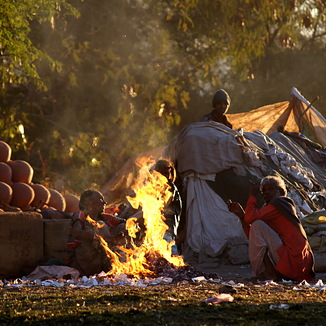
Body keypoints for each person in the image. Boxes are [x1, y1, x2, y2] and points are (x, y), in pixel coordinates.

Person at [228, 176, 315, 281]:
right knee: (257, 226)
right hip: (292, 262)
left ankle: (269, 274)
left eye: (271, 189)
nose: (267, 193)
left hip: (294, 261)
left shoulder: (280, 202)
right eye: (264, 191)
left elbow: (250, 218)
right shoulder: (272, 209)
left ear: (281, 191)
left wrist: (252, 195)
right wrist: (242, 216)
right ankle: (270, 274)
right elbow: (255, 237)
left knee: (257, 224)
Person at [67, 190, 124, 276]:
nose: (105, 202)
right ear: (90, 203)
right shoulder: (81, 214)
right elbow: (76, 232)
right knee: (99, 229)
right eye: (101, 200)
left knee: (123, 226)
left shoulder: (105, 217)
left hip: (102, 260)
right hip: (82, 262)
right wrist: (103, 237)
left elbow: (127, 223)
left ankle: (121, 266)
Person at [153, 159, 182, 255]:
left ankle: (175, 266)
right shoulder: (157, 187)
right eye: (161, 173)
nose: (164, 176)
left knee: (169, 245)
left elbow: (165, 202)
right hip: (159, 224)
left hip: (168, 223)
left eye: (166, 173)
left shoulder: (170, 187)